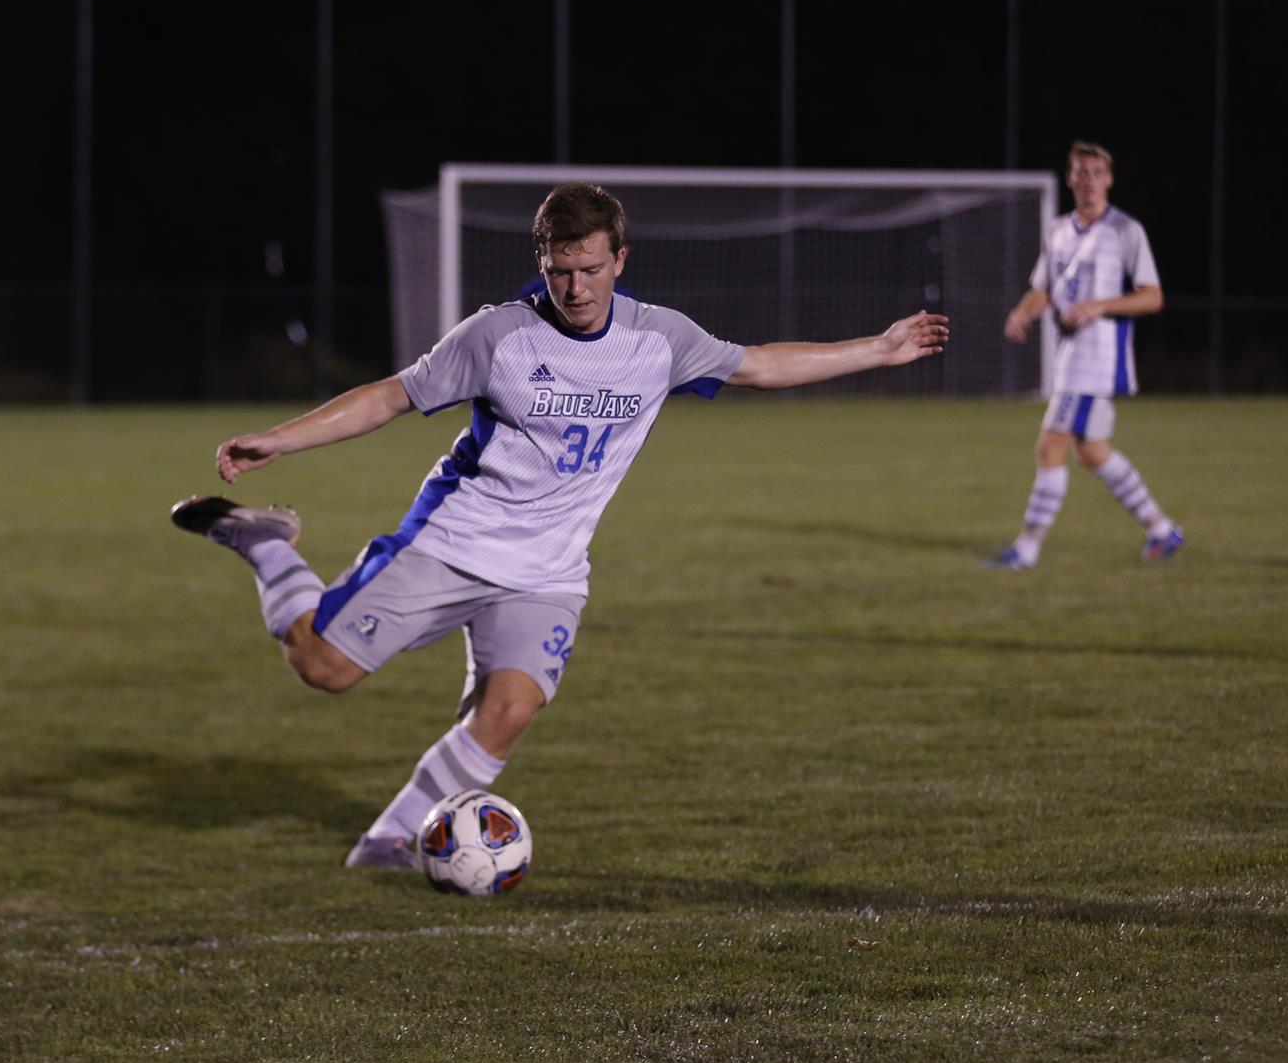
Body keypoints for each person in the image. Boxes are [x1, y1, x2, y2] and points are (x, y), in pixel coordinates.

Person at [172, 181, 950, 870]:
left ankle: (393, 836)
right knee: (321, 667)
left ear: (621, 260)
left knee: (509, 710)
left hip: (548, 571)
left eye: (590, 269)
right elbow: (390, 396)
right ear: (541, 261)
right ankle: (267, 545)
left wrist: (877, 350)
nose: (575, 287)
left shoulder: (658, 339)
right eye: (560, 270)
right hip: (454, 541)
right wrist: (280, 437)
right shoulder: (498, 335)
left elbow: (759, 365)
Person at [983, 141, 1183, 571]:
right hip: (1069, 360)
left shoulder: (1126, 231)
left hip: (1097, 362)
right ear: (1071, 178)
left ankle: (1027, 549)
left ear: (1109, 179)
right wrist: (1023, 312)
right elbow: (1045, 289)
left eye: (1097, 173)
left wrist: (1101, 305)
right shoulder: (1057, 230)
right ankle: (1162, 531)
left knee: (1050, 445)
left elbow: (1152, 297)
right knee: (1091, 452)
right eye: (1081, 172)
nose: (1089, 181)